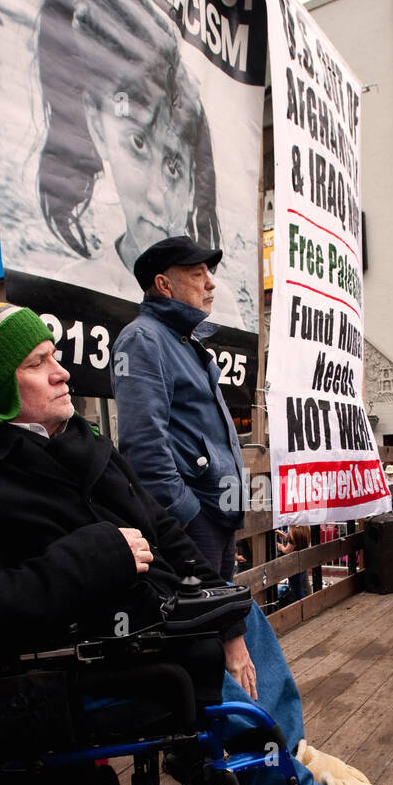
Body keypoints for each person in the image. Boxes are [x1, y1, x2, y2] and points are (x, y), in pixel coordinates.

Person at [0, 298, 393, 785]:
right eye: (37, 363)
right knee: (195, 653)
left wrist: (217, 603)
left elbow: (161, 526)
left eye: (55, 355)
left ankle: (291, 759)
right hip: (51, 675)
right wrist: (96, 558)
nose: (62, 373)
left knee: (237, 608)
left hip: (130, 632)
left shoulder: (76, 437)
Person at [35, 0, 239, 327]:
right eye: (138, 145)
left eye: (174, 166)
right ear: (97, 128)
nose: (158, 197)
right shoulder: (74, 290)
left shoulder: (221, 303)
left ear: (193, 179)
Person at [112, 236, 245, 582]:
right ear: (163, 284)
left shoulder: (183, 340)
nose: (210, 282)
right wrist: (185, 513)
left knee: (222, 618)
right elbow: (142, 443)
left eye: (209, 272)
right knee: (205, 623)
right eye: (197, 273)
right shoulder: (143, 339)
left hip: (218, 512)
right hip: (197, 517)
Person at [276, 526, 311, 606]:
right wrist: (282, 535)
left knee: (296, 590)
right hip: (302, 562)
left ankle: (303, 608)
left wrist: (280, 547)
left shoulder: (294, 533)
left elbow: (288, 550)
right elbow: (293, 542)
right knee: (302, 586)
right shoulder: (304, 530)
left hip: (294, 565)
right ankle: (307, 604)